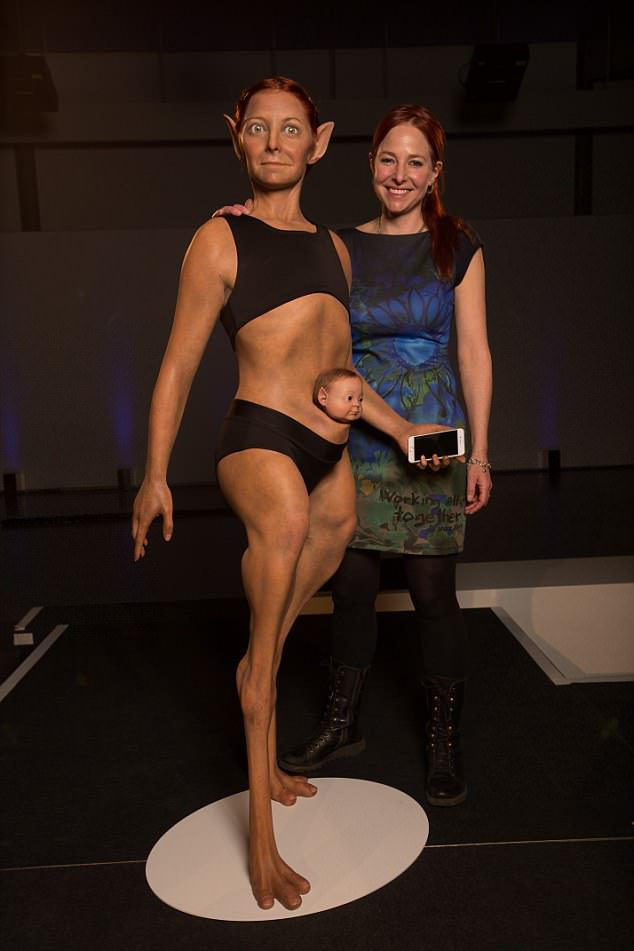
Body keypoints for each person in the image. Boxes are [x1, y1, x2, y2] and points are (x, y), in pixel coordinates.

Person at [131, 79, 441, 913]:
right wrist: (155, 472)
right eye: (259, 128)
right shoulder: (218, 238)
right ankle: (261, 837)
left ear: (319, 141)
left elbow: (344, 375)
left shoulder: (335, 249)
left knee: (339, 523)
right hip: (258, 436)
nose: (274, 142)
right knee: (293, 526)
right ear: (237, 137)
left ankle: (256, 659)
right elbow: (178, 364)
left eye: (292, 129)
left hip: (325, 444)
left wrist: (402, 430)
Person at [215, 103, 492, 808]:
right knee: (351, 586)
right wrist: (242, 218)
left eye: (416, 162)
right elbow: (277, 257)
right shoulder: (337, 246)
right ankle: (342, 725)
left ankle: (444, 740)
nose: (400, 174)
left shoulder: (457, 245)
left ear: (435, 174)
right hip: (355, 429)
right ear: (370, 165)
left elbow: (475, 353)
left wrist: (481, 455)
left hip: (429, 435)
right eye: (388, 159)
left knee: (433, 591)